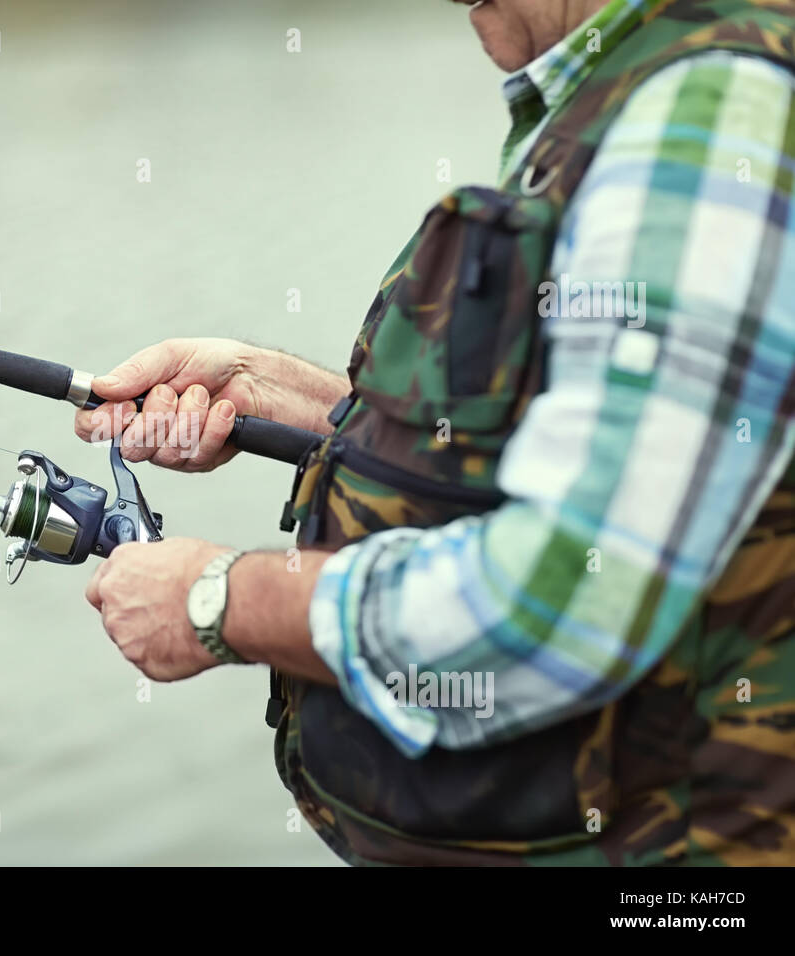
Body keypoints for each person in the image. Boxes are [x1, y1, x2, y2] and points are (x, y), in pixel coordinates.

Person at [76, 0, 795, 866]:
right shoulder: (627, 88)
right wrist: (290, 401)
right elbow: (582, 445)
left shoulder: (712, 116)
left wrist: (218, 599)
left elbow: (566, 604)